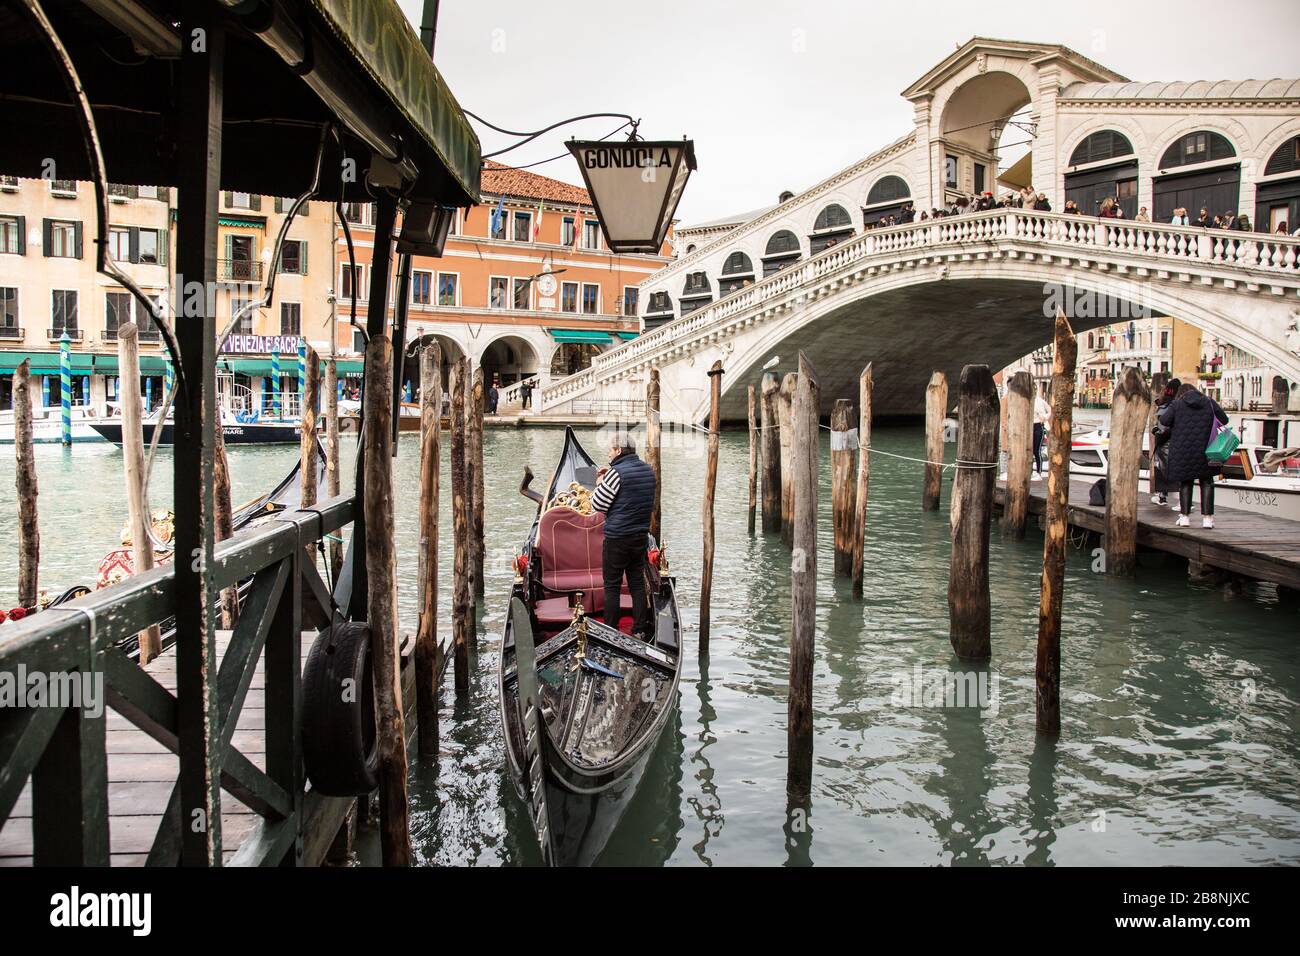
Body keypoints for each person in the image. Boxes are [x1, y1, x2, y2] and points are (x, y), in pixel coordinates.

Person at [591, 432, 657, 639]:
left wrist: (601, 483)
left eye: (610, 450)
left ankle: (611, 631)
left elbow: (597, 505)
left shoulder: (615, 473)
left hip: (618, 538)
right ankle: (639, 629)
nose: (609, 454)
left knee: (612, 585)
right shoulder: (649, 471)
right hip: (640, 537)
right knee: (637, 582)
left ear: (618, 450)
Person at [1158, 383, 1228, 529]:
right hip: (1206, 448)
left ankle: (1184, 517)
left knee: (1185, 482)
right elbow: (1224, 420)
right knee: (1207, 482)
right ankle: (1207, 519)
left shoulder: (1177, 405)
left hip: (1183, 450)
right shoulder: (1209, 402)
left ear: (1181, 393)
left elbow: (1164, 421)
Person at [1149, 377, 1182, 507]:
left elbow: (1162, 425)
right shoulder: (1180, 404)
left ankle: (1162, 497)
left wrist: (1157, 431)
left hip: (1165, 442)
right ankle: (1182, 501)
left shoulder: (1165, 405)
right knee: (1177, 471)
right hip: (1178, 443)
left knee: (1162, 468)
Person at [1032, 390, 1051, 479]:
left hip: (1038, 425)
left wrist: (1045, 417)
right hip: (1028, 427)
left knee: (1037, 450)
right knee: (1028, 450)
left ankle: (1039, 473)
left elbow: (1050, 410)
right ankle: (1030, 471)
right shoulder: (1026, 400)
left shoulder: (1040, 400)